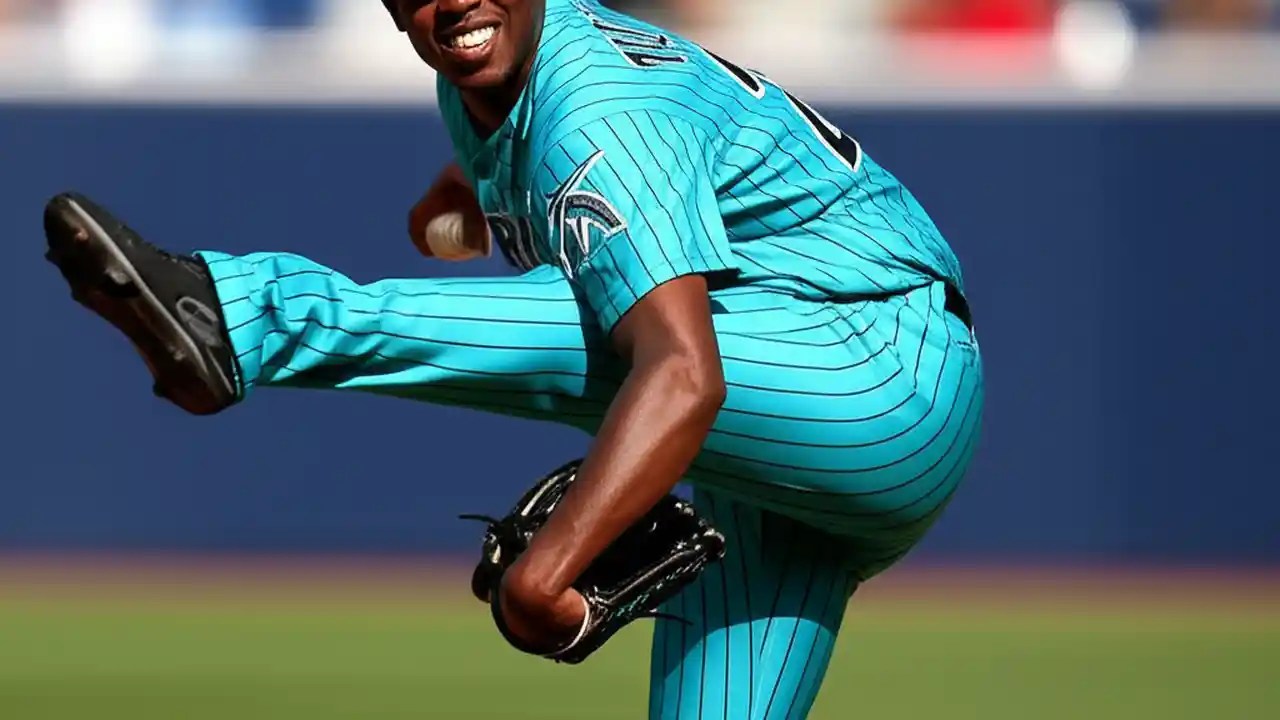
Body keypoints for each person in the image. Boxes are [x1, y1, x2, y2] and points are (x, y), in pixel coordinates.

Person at [42, 0, 984, 716]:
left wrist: (550, 572)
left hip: (877, 372)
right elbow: (507, 171)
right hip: (784, 472)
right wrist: (454, 204)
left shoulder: (596, 106)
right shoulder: (495, 80)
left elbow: (684, 373)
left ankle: (241, 316)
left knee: (613, 322)